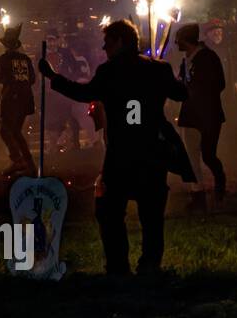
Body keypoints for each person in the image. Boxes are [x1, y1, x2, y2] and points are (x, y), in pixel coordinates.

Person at [39, 19, 192, 276]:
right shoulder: (159, 69)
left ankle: (119, 267)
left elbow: (83, 93)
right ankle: (150, 265)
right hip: (152, 150)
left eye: (108, 42)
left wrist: (53, 77)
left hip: (121, 153)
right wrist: (180, 75)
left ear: (121, 41)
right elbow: (181, 94)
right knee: (151, 215)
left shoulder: (109, 71)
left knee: (109, 212)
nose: (104, 47)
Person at [173, 23, 227, 211]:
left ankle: (220, 181)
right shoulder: (185, 61)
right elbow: (181, 86)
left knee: (209, 155)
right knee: (191, 157)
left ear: (186, 40)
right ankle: (198, 195)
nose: (175, 43)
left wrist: (196, 91)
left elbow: (219, 83)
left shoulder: (208, 58)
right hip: (190, 115)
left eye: (178, 39)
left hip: (208, 114)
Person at [0, 24, 35, 177]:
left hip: (11, 98)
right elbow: (32, 79)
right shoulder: (26, 59)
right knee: (16, 131)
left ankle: (17, 159)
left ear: (5, 44)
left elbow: (1, 78)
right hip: (26, 99)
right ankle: (29, 162)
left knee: (5, 131)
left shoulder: (4, 59)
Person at [43, 31, 82, 152]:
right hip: (49, 92)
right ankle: (54, 145)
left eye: (53, 39)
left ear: (57, 40)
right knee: (51, 120)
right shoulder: (41, 54)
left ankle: (74, 143)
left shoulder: (65, 53)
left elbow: (76, 69)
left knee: (69, 117)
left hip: (64, 91)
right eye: (48, 39)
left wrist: (69, 81)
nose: (51, 42)